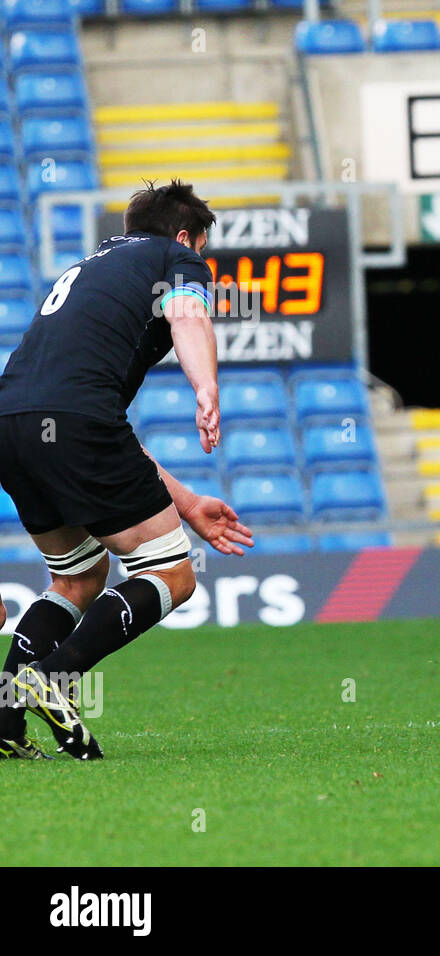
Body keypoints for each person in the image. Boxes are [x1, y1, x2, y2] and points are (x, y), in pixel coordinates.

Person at [0, 179, 254, 760]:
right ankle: (53, 675)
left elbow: (94, 422)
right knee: (174, 574)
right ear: (187, 236)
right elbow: (188, 317)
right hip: (75, 422)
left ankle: (3, 727)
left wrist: (187, 503)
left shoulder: (89, 269)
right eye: (202, 249)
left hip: (12, 423)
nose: (201, 260)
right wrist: (206, 386)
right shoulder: (175, 257)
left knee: (77, 580)